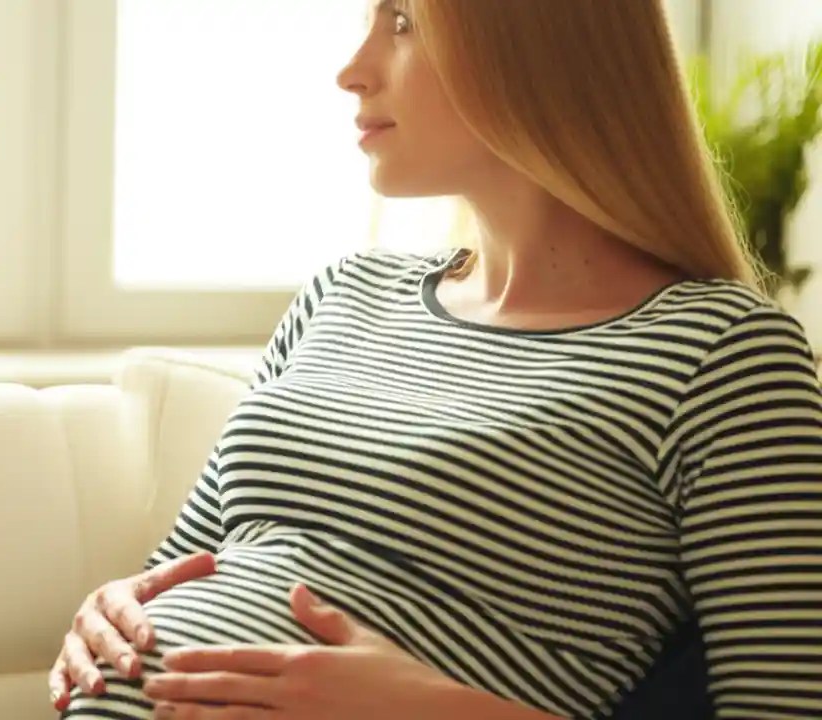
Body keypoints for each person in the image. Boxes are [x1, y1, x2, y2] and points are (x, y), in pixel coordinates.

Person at [50, 1, 822, 718]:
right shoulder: (343, 295)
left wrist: (436, 710)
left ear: (539, 47)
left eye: (405, 21)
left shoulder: (723, 358)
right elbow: (185, 567)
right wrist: (112, 614)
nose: (352, 68)